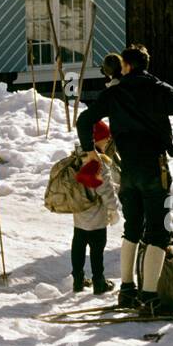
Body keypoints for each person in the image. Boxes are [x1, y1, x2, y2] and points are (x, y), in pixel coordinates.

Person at [75, 44, 173, 314]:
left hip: (128, 169)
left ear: (126, 66)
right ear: (145, 64)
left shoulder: (115, 93)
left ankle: (127, 290)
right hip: (155, 166)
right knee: (157, 231)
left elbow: (84, 121)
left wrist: (90, 152)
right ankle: (150, 295)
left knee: (132, 227)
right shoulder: (160, 89)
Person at [71, 120, 118, 294]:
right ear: (96, 140)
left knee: (78, 246)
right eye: (105, 139)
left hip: (79, 213)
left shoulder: (77, 156)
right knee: (97, 251)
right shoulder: (98, 161)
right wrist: (114, 209)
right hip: (97, 217)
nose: (107, 142)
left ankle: (77, 280)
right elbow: (106, 190)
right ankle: (99, 282)